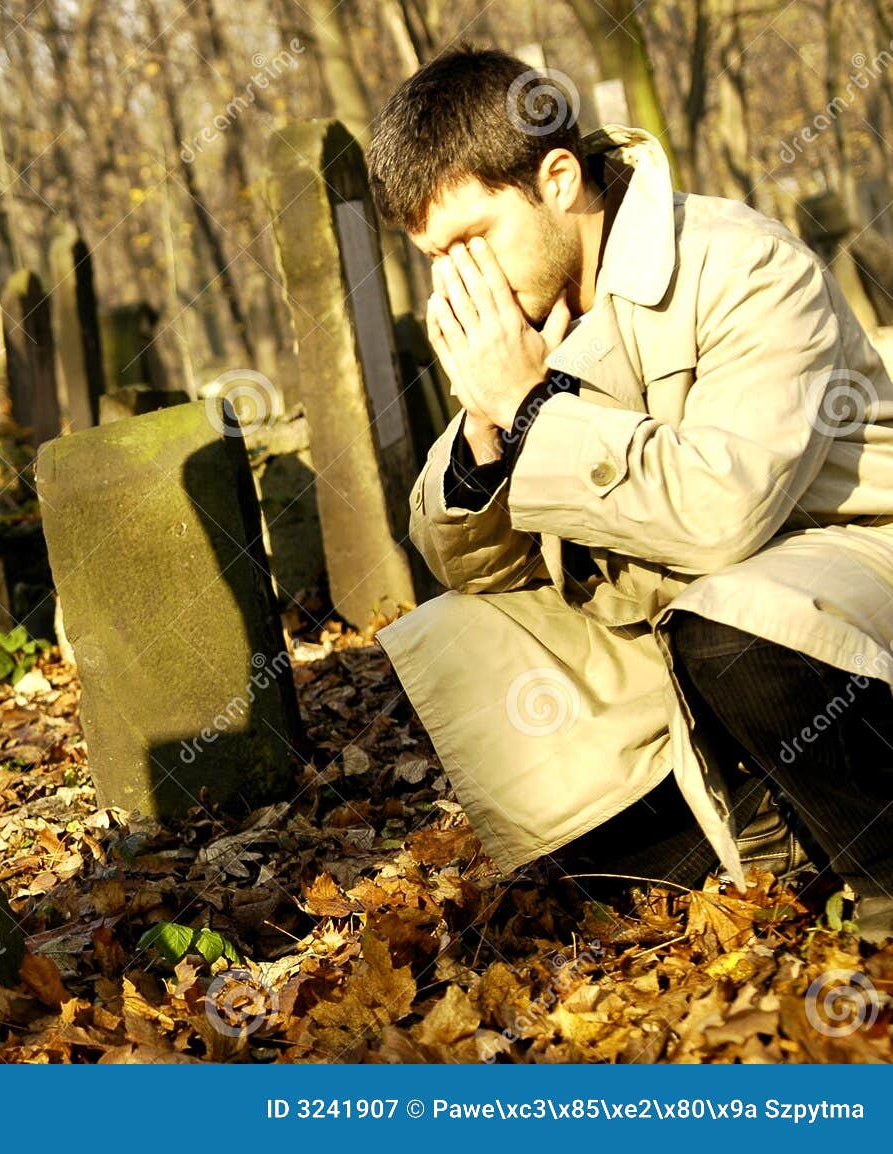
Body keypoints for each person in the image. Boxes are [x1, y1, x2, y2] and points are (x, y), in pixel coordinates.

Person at [366, 45, 893, 942]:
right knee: (457, 635)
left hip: (838, 577)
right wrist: (490, 429)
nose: (465, 281)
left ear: (559, 179)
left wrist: (534, 404)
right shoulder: (529, 315)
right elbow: (465, 561)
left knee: (736, 624)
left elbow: (723, 517)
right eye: (436, 258)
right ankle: (762, 841)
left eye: (472, 240)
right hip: (671, 614)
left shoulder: (742, 265)